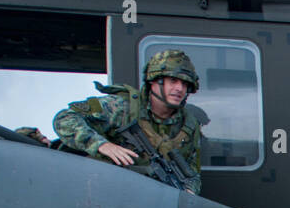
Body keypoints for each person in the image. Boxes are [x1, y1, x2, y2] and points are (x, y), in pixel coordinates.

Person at [53, 49, 203, 195]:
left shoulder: (189, 125)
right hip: (102, 191)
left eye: (185, 84)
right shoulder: (122, 107)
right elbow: (64, 119)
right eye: (173, 80)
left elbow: (192, 173)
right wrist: (101, 145)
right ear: (155, 81)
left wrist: (189, 193)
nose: (179, 88)